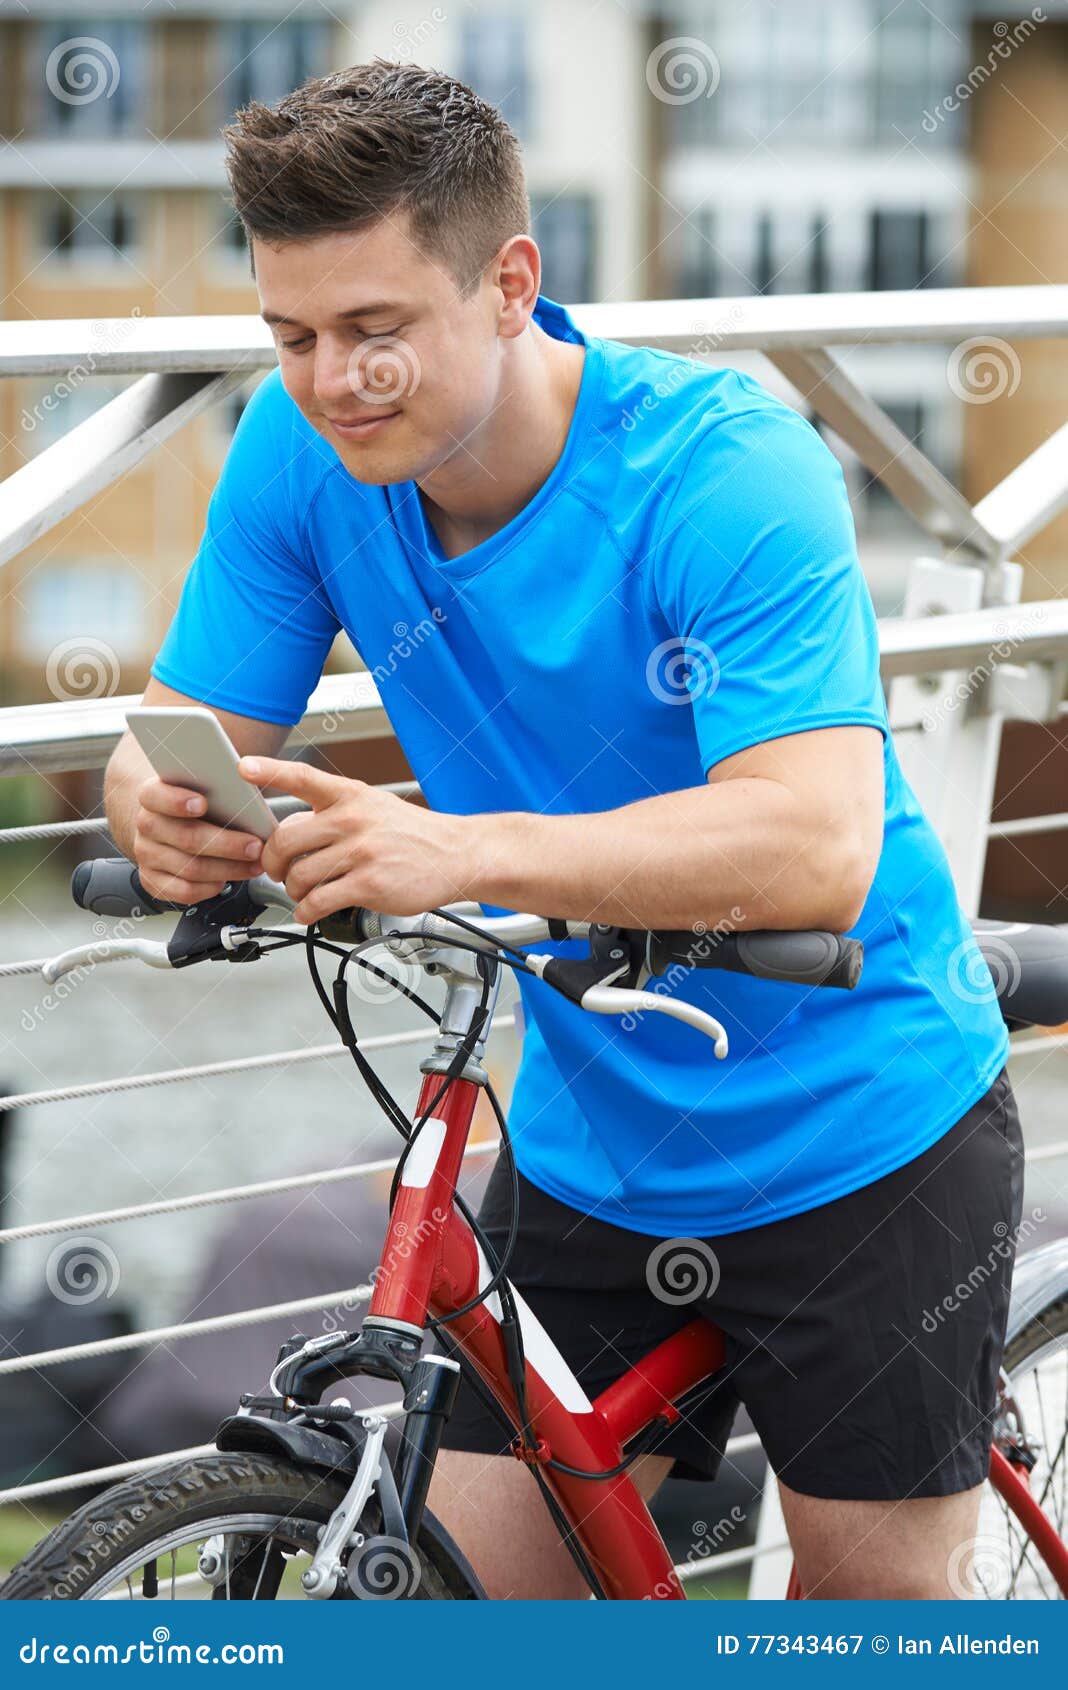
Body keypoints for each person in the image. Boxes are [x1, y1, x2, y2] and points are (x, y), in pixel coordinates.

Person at [102, 61, 1020, 1600]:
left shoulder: (728, 467)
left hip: (865, 1134)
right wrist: (172, 812)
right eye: (294, 336)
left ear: (512, 280)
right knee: (482, 1606)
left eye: (375, 331)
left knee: (868, 1634)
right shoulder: (297, 455)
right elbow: (178, 735)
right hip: (596, 1148)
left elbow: (813, 843)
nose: (332, 382)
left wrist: (457, 851)